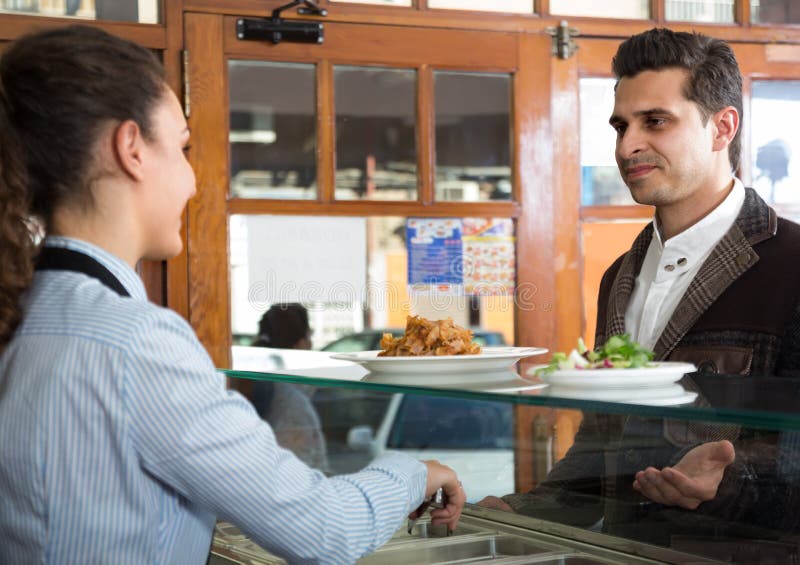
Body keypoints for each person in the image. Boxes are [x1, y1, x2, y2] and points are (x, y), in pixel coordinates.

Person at [0, 25, 464, 564]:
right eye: (182, 147)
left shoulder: (23, 313)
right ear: (130, 148)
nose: (194, 181)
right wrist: (416, 472)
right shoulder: (137, 342)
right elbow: (325, 531)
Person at [481, 28, 800, 556]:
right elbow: (605, 440)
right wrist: (523, 513)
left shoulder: (792, 265)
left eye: (655, 121)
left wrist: (731, 478)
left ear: (723, 127)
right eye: (621, 125)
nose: (627, 145)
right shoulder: (620, 275)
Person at [250, 303, 329, 471]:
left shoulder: (255, 384)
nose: (311, 344)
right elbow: (310, 472)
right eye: (309, 336)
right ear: (300, 345)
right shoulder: (293, 404)